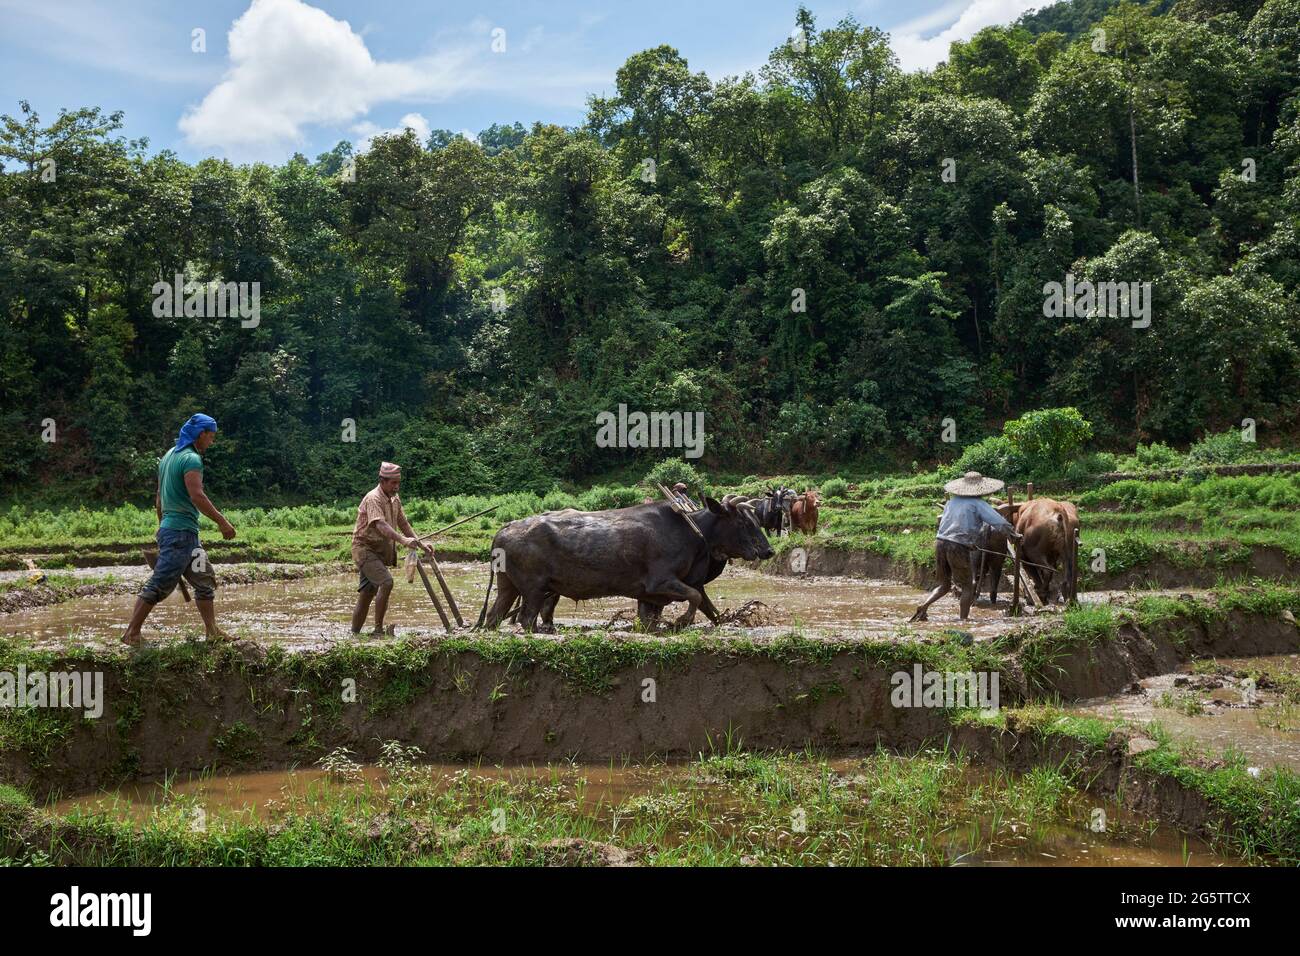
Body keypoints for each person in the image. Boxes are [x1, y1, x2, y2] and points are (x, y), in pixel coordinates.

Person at [122, 413, 236, 646]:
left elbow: (159, 499)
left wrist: (162, 526)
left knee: (204, 581)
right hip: (180, 536)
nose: (211, 442)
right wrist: (222, 522)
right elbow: (197, 495)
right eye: (211, 437)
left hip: (185, 536)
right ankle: (132, 633)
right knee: (160, 584)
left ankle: (212, 631)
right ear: (201, 434)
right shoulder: (191, 459)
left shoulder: (168, 456)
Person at [910, 471, 1020, 622]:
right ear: (981, 489)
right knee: (969, 585)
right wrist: (1013, 534)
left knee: (944, 585)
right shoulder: (978, 504)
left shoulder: (951, 502)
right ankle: (963, 620)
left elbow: (950, 526)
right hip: (957, 547)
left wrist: (970, 542)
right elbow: (999, 522)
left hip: (940, 543)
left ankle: (924, 606)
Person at [351, 462, 431, 635]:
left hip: (379, 551)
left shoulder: (395, 498)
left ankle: (354, 634)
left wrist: (421, 544)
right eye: (393, 483)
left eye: (398, 482)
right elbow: (381, 525)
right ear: (382, 480)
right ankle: (378, 630)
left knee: (366, 594)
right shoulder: (373, 498)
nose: (396, 486)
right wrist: (403, 540)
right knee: (386, 582)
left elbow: (403, 522)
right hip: (365, 549)